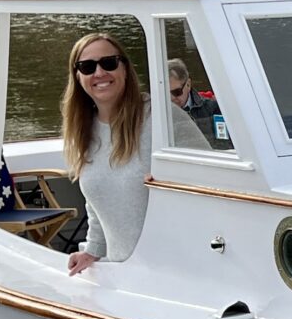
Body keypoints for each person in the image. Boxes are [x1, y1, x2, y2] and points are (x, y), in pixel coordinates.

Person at [61, 33, 152, 276]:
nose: (99, 73)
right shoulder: (83, 130)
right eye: (87, 67)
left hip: (172, 269)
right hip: (123, 271)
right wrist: (93, 249)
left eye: (109, 63)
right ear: (78, 76)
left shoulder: (159, 118)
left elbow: (206, 179)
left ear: (125, 69)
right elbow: (97, 200)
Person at [165, 57, 223, 149]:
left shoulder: (213, 109)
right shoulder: (156, 115)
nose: (171, 98)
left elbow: (224, 145)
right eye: (165, 93)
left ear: (188, 84)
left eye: (176, 92)